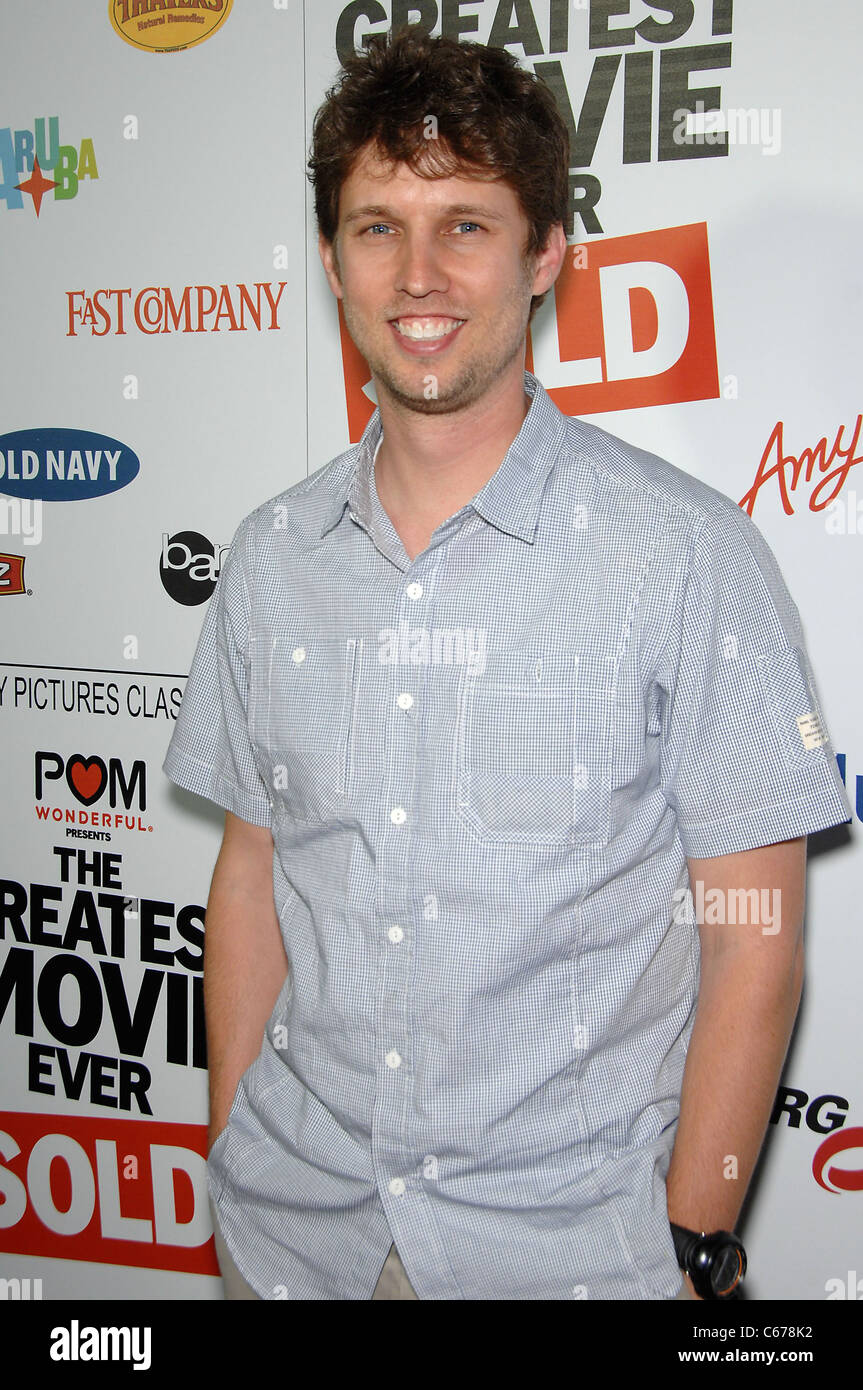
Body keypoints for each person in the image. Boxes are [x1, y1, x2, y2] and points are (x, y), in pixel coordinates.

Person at [163, 26, 852, 1301]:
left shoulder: (684, 555)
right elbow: (253, 877)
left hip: (567, 1263)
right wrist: (231, 1153)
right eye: (377, 227)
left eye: (466, 226)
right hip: (291, 1242)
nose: (418, 274)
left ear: (546, 254)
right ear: (329, 258)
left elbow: (751, 932)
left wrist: (693, 1242)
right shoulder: (266, 560)